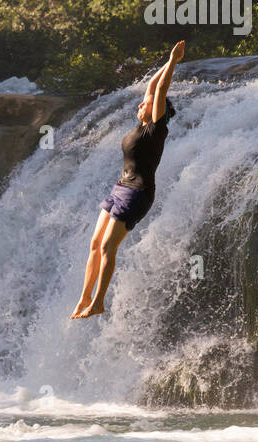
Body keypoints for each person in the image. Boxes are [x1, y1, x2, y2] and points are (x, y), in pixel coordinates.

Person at [70, 40, 185, 318]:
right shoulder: (141, 125)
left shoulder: (156, 129)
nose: (140, 103)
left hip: (138, 193)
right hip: (120, 188)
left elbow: (159, 90)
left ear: (156, 110)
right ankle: (84, 298)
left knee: (110, 246)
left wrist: (173, 62)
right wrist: (163, 64)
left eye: (144, 104)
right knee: (95, 245)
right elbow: (150, 88)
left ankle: (98, 302)